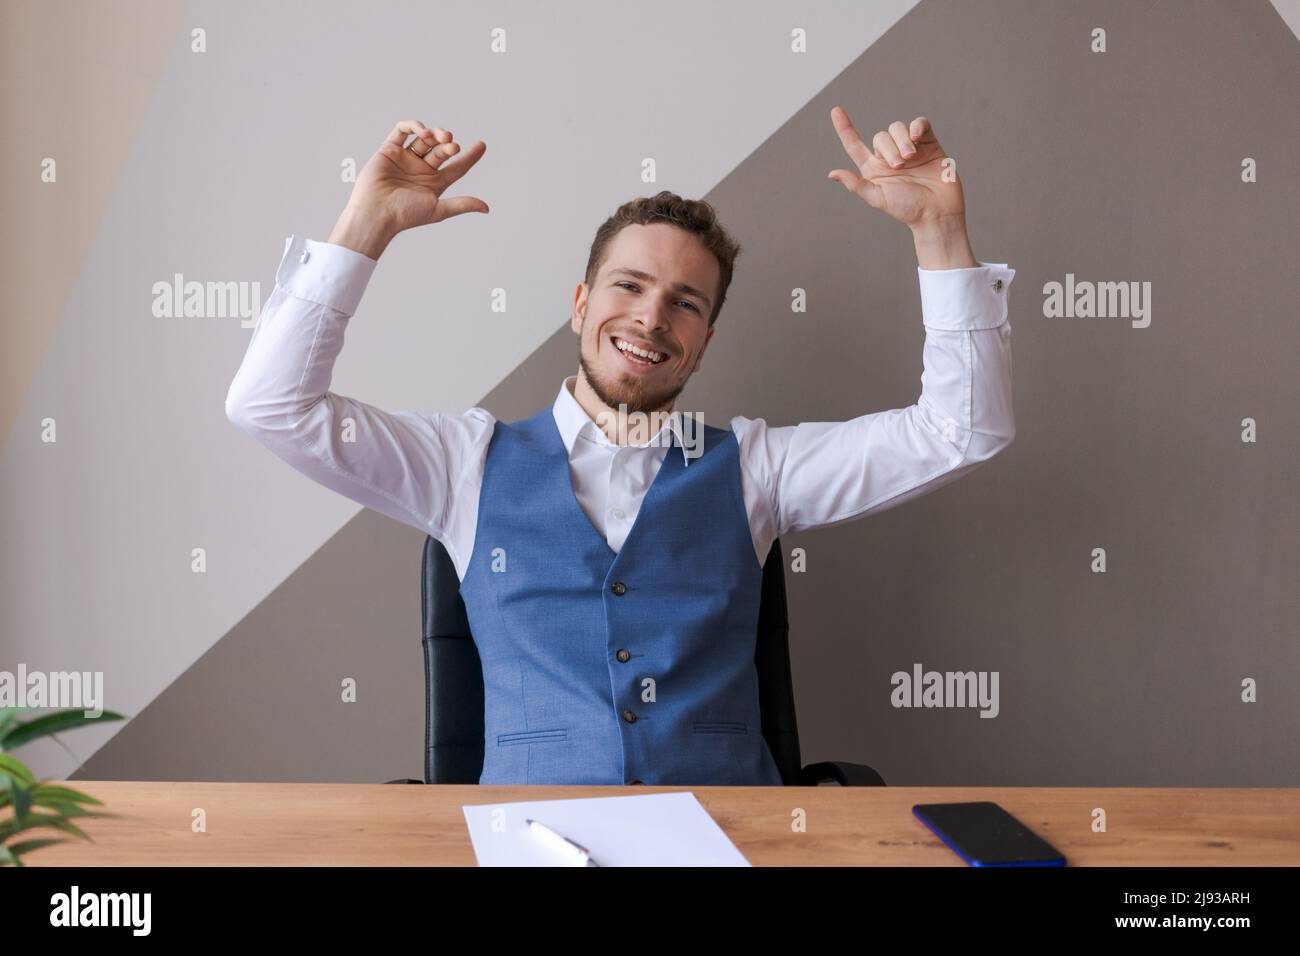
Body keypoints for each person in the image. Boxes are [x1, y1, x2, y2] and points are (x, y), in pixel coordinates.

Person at [225, 109, 1016, 786]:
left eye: (684, 303)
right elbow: (271, 406)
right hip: (529, 845)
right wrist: (364, 227)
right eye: (629, 286)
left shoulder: (757, 470)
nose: (650, 318)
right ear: (581, 304)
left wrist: (940, 232)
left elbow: (961, 429)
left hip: (731, 841)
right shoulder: (461, 465)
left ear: (703, 343)